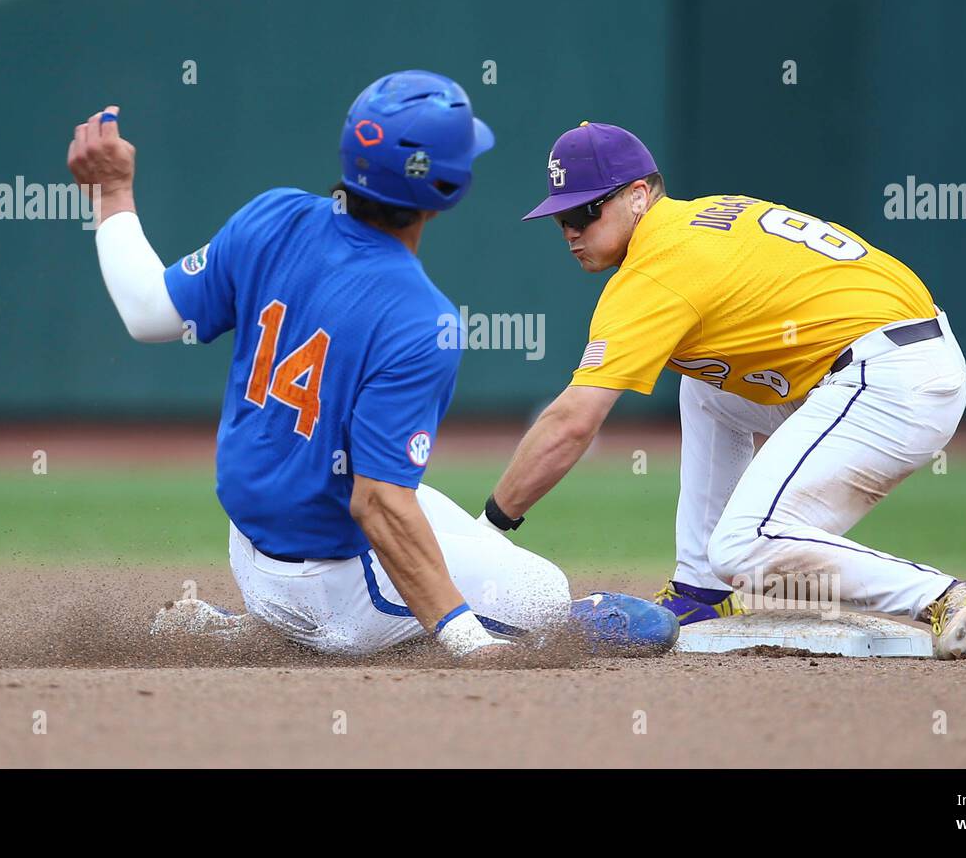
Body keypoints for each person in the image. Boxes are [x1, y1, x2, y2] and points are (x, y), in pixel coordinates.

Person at [66, 75, 676, 661]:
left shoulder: (272, 217)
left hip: (249, 544)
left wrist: (113, 192)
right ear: (448, 187)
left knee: (453, 523)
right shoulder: (418, 317)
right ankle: (300, 631)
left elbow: (148, 312)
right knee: (543, 592)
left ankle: (240, 632)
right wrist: (468, 642)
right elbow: (378, 503)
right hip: (334, 587)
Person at [475, 121, 966, 659]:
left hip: (889, 379)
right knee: (706, 384)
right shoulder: (707, 216)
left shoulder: (656, 270)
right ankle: (700, 596)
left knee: (743, 546)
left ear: (639, 196)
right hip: (893, 357)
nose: (571, 230)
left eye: (584, 211)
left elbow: (572, 422)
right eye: (560, 218)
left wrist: (487, 532)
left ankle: (945, 596)